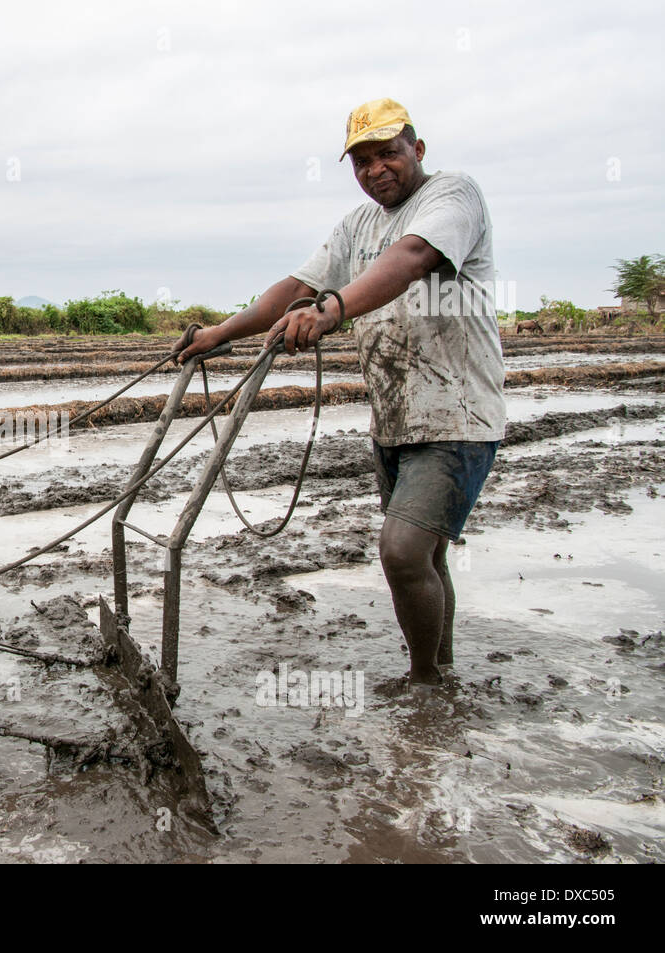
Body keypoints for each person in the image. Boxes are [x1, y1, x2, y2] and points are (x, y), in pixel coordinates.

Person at [177, 98, 505, 689]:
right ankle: (443, 666)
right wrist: (218, 334)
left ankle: (426, 683)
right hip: (398, 418)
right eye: (362, 160)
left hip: (457, 413)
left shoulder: (452, 195)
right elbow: (297, 286)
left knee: (403, 553)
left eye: (388, 153)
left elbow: (412, 258)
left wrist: (332, 310)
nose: (376, 169)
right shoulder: (357, 225)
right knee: (426, 557)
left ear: (418, 150)